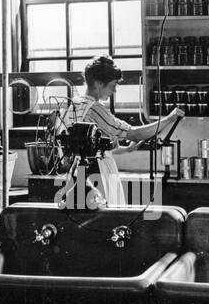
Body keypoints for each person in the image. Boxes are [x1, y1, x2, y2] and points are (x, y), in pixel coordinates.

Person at [66, 56, 184, 205]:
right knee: (104, 217)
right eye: (113, 85)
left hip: (77, 172)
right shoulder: (95, 109)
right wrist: (169, 119)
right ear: (98, 83)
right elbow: (135, 134)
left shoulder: (75, 104)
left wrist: (126, 150)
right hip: (97, 173)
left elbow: (93, 148)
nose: (114, 90)